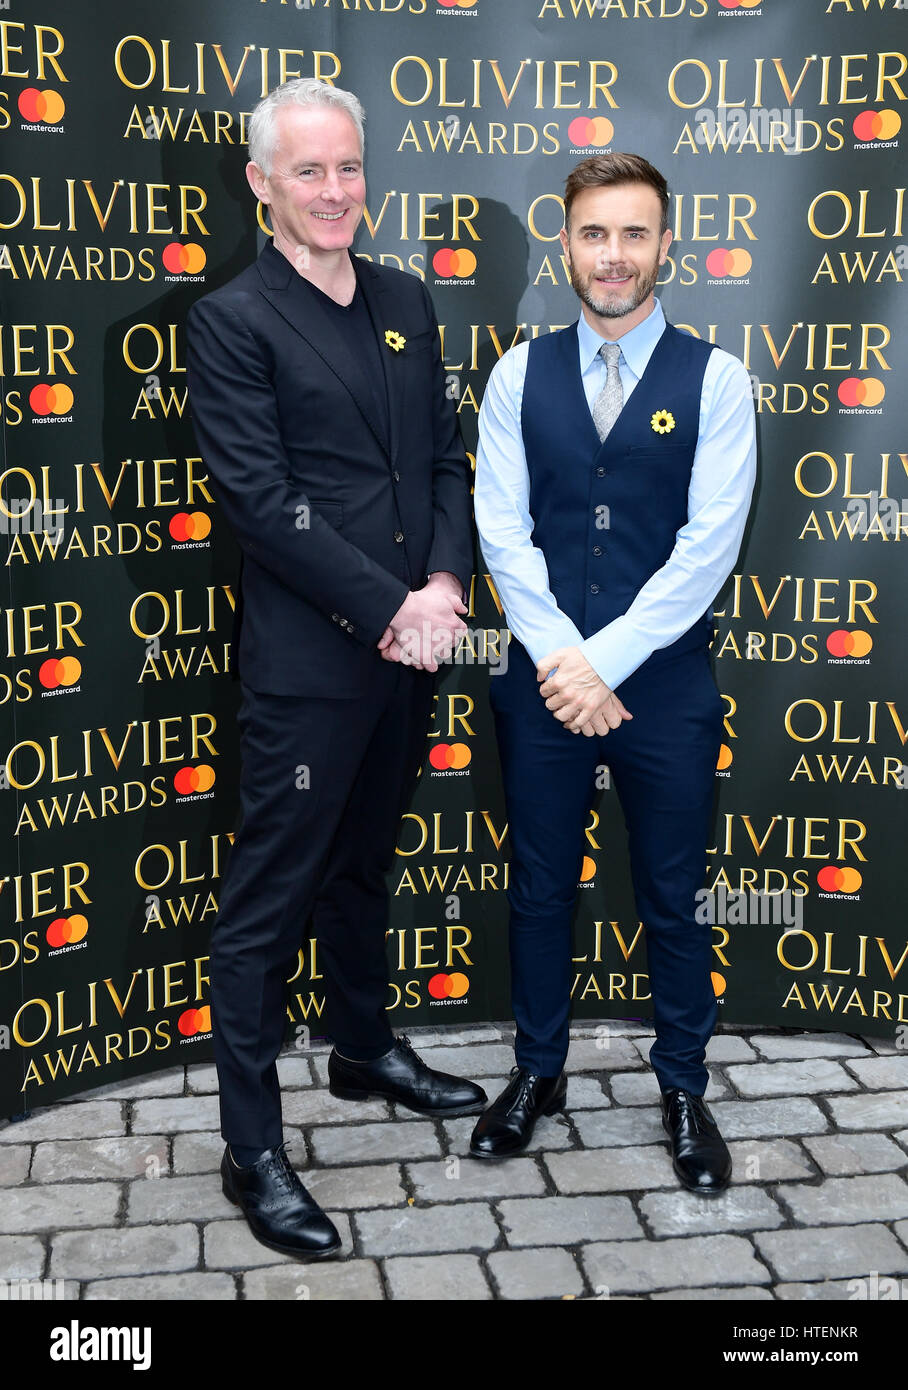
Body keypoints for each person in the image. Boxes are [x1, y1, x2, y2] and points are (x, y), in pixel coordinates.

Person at [185, 77, 486, 1261]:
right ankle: (249, 1145)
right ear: (260, 185)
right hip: (317, 664)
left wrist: (448, 589)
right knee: (268, 904)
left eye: (348, 167)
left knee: (367, 865)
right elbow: (260, 501)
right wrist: (390, 609)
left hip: (411, 649)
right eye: (306, 171)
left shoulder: (406, 297)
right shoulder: (232, 317)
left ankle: (362, 1048)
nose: (334, 191)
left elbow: (445, 465)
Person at [471, 153, 756, 1195]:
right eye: (594, 234)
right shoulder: (515, 374)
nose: (613, 256)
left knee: (670, 896)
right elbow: (501, 530)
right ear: (565, 244)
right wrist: (561, 663)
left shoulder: (716, 379)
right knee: (540, 890)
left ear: (665, 244)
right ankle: (536, 1074)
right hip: (542, 681)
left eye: (633, 234)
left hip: (665, 684)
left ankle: (681, 1084)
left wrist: (602, 664)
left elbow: (707, 547)